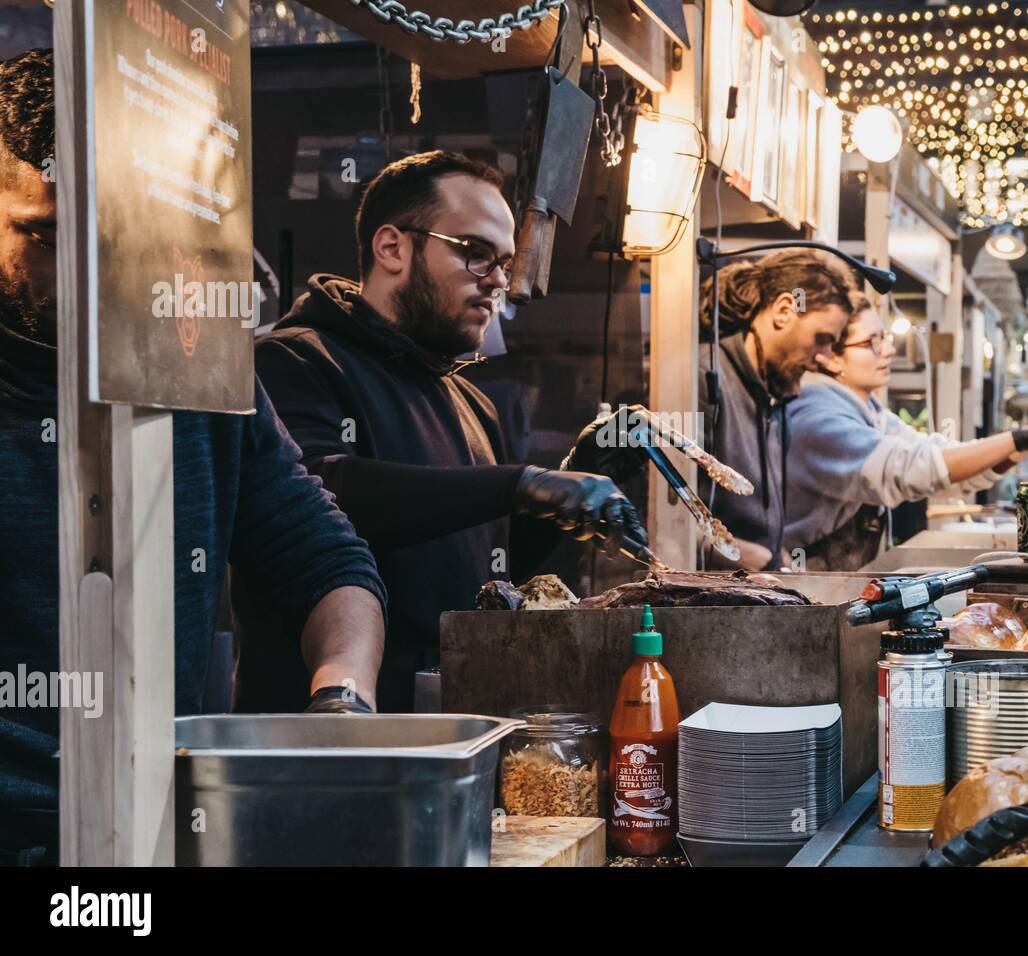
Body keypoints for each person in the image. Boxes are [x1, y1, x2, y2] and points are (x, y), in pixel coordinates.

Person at [0, 49, 389, 865]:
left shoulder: (200, 381)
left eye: (116, 239)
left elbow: (327, 561)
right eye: (45, 236)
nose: (88, 276)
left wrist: (342, 702)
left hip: (153, 832)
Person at [245, 150, 647, 712]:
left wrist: (571, 486)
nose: (498, 282)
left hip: (458, 726)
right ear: (392, 247)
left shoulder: (471, 402)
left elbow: (490, 565)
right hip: (329, 733)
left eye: (504, 263)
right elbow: (323, 497)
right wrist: (518, 484)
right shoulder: (294, 363)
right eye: (476, 254)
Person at [786, 302, 1028, 569]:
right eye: (871, 343)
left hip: (837, 581)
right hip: (803, 583)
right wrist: (1021, 437)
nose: (888, 350)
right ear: (831, 358)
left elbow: (946, 469)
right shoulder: (818, 414)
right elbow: (917, 469)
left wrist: (1027, 444)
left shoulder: (870, 412)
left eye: (884, 338)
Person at [697, 249, 864, 572]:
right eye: (822, 338)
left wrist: (775, 557)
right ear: (785, 309)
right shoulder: (701, 379)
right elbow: (655, 515)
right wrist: (741, 553)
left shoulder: (773, 396)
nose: (825, 357)